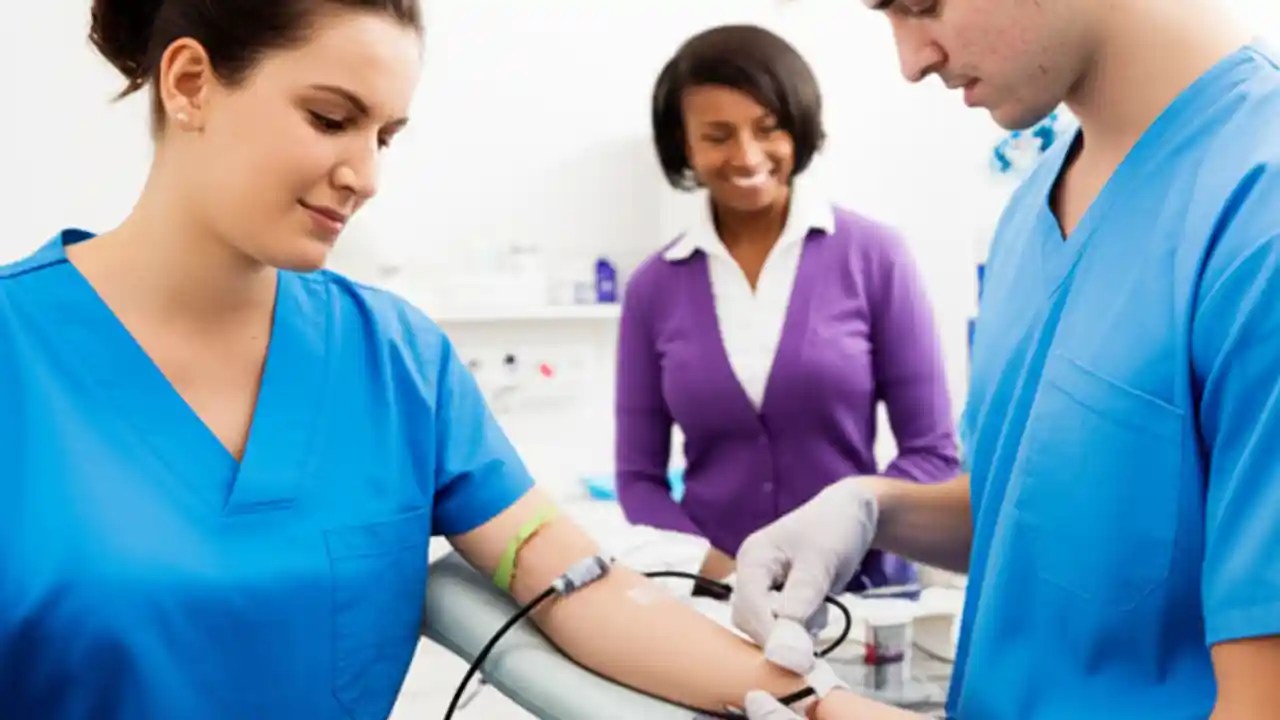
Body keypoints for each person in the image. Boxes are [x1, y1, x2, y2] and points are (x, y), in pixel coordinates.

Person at [0, 2, 826, 718]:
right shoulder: (18, 349)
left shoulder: (396, 360)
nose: (365, 176)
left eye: (385, 136)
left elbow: (585, 590)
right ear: (188, 83)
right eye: (329, 119)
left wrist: (825, 704)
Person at [732, 0, 1280, 718]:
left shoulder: (1257, 210)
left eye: (923, 4)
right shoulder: (1036, 203)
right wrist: (874, 507)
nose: (912, 61)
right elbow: (1059, 509)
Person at [616, 23, 958, 591]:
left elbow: (931, 452)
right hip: (714, 605)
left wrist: (844, 537)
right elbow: (638, 481)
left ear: (797, 129)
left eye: (767, 129)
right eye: (718, 135)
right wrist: (725, 575)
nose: (747, 156)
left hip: (866, 591)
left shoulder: (875, 256)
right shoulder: (654, 287)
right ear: (684, 145)